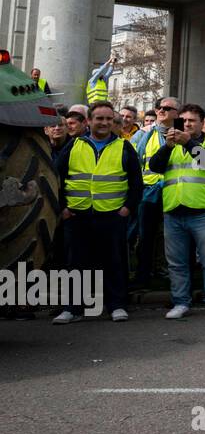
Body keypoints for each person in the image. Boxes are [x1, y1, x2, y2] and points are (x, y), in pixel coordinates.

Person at [52, 101, 142, 323]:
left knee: (114, 261)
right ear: (89, 121)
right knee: (75, 263)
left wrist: (127, 208)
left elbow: (136, 183)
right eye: (99, 118)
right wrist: (62, 208)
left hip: (112, 215)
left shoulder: (124, 147)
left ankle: (117, 305)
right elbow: (56, 178)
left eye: (109, 119)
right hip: (77, 214)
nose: (104, 123)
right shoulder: (74, 146)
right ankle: (72, 309)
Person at [151, 105, 205, 319]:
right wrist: (167, 147)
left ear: (202, 123)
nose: (186, 124)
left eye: (192, 121)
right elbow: (155, 166)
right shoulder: (171, 145)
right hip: (174, 210)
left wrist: (187, 142)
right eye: (183, 120)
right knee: (176, 262)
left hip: (203, 211)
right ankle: (180, 302)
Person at [131, 96, 178, 289]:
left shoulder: (183, 135)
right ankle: (143, 275)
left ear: (177, 113)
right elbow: (133, 164)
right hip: (148, 193)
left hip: (173, 192)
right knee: (146, 236)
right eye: (159, 107)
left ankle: (166, 272)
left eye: (168, 108)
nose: (162, 110)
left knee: (170, 237)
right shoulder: (143, 134)